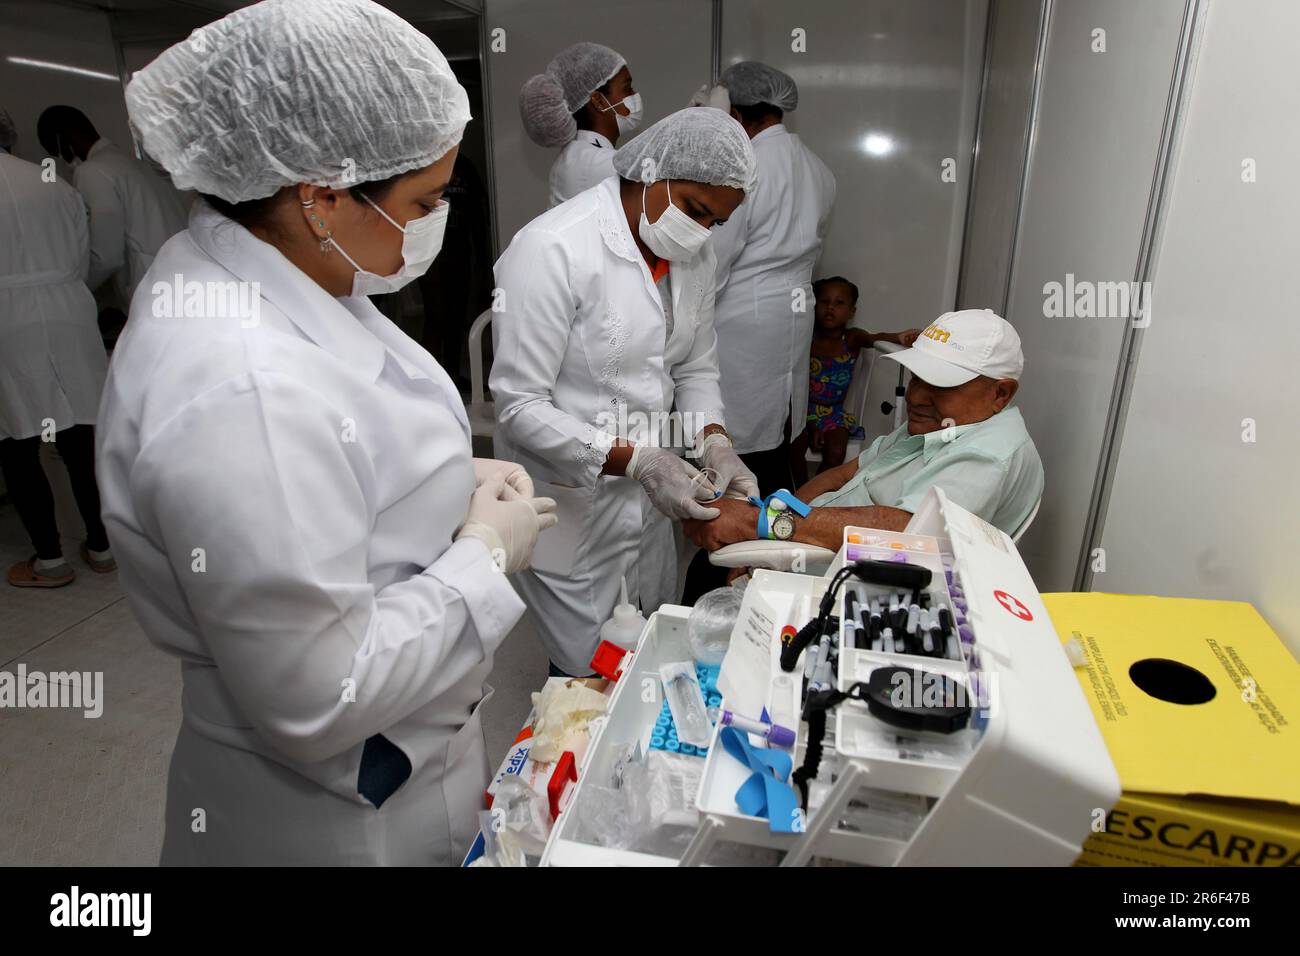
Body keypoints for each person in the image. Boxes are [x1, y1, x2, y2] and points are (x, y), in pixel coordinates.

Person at [97, 0, 556, 866]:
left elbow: (348, 450)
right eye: (422, 200)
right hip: (338, 814)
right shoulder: (242, 391)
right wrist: (483, 556)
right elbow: (322, 695)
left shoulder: (284, 271)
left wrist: (450, 491)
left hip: (403, 760)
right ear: (319, 196)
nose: (432, 223)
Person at [491, 107, 760, 677]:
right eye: (694, 209)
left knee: (649, 648)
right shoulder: (552, 248)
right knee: (588, 675)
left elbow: (693, 367)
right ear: (651, 169)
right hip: (571, 503)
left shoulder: (694, 256)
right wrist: (637, 459)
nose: (701, 231)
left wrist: (713, 442)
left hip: (648, 509)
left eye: (715, 222)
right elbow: (519, 407)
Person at [685, 310, 1044, 553]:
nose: (917, 397)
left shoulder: (987, 455)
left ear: (1001, 393)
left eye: (941, 385)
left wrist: (762, 525)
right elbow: (843, 475)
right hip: (807, 546)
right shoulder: (947, 423)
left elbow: (904, 532)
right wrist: (774, 511)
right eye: (917, 377)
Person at [708, 61, 837, 494]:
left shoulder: (743, 168)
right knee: (778, 421)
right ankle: (770, 511)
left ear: (738, 114)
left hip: (743, 314)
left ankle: (737, 517)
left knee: (737, 431)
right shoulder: (819, 169)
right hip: (795, 311)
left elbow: (717, 257)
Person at [0, 107, 115, 587]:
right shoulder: (52, 182)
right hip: (69, 309)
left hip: (9, 319)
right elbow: (84, 252)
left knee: (19, 440)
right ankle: (103, 547)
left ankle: (49, 561)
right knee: (79, 434)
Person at [36, 104, 188, 307]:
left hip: (157, 291)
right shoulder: (130, 162)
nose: (62, 160)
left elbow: (106, 256)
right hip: (183, 280)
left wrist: (73, 293)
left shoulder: (92, 172)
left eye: (57, 151)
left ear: (66, 138)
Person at [790, 276, 919, 483]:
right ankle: (798, 491)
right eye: (824, 301)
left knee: (836, 449)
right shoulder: (807, 336)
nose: (830, 307)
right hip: (802, 410)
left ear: (852, 311)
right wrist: (812, 424)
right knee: (794, 445)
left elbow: (875, 338)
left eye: (839, 303)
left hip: (834, 413)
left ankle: (816, 495)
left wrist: (899, 337)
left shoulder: (851, 338)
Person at [520, 42, 642, 207]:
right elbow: (657, 174)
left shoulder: (579, 154)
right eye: (627, 88)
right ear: (599, 101)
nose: (634, 95)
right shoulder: (590, 162)